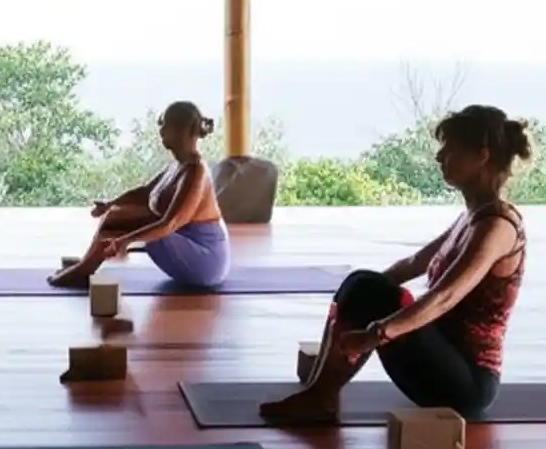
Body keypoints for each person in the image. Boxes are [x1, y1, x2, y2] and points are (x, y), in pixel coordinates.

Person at [261, 104, 530, 422]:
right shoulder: (473, 216)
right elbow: (414, 263)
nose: (439, 156)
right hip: (440, 354)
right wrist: (355, 298)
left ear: (482, 156)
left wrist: (374, 333)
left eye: (450, 148)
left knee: (375, 293)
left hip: (466, 383)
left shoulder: (497, 226)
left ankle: (320, 397)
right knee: (365, 283)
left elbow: (444, 297)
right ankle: (321, 393)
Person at [48, 101, 229, 289]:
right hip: (184, 246)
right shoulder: (177, 166)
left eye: (166, 125)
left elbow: (170, 224)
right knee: (116, 216)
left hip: (206, 262)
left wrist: (124, 241)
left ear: (181, 130)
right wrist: (110, 204)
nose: (161, 131)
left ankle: (83, 270)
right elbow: (145, 193)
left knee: (142, 222)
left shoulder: (196, 172)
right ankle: (86, 267)